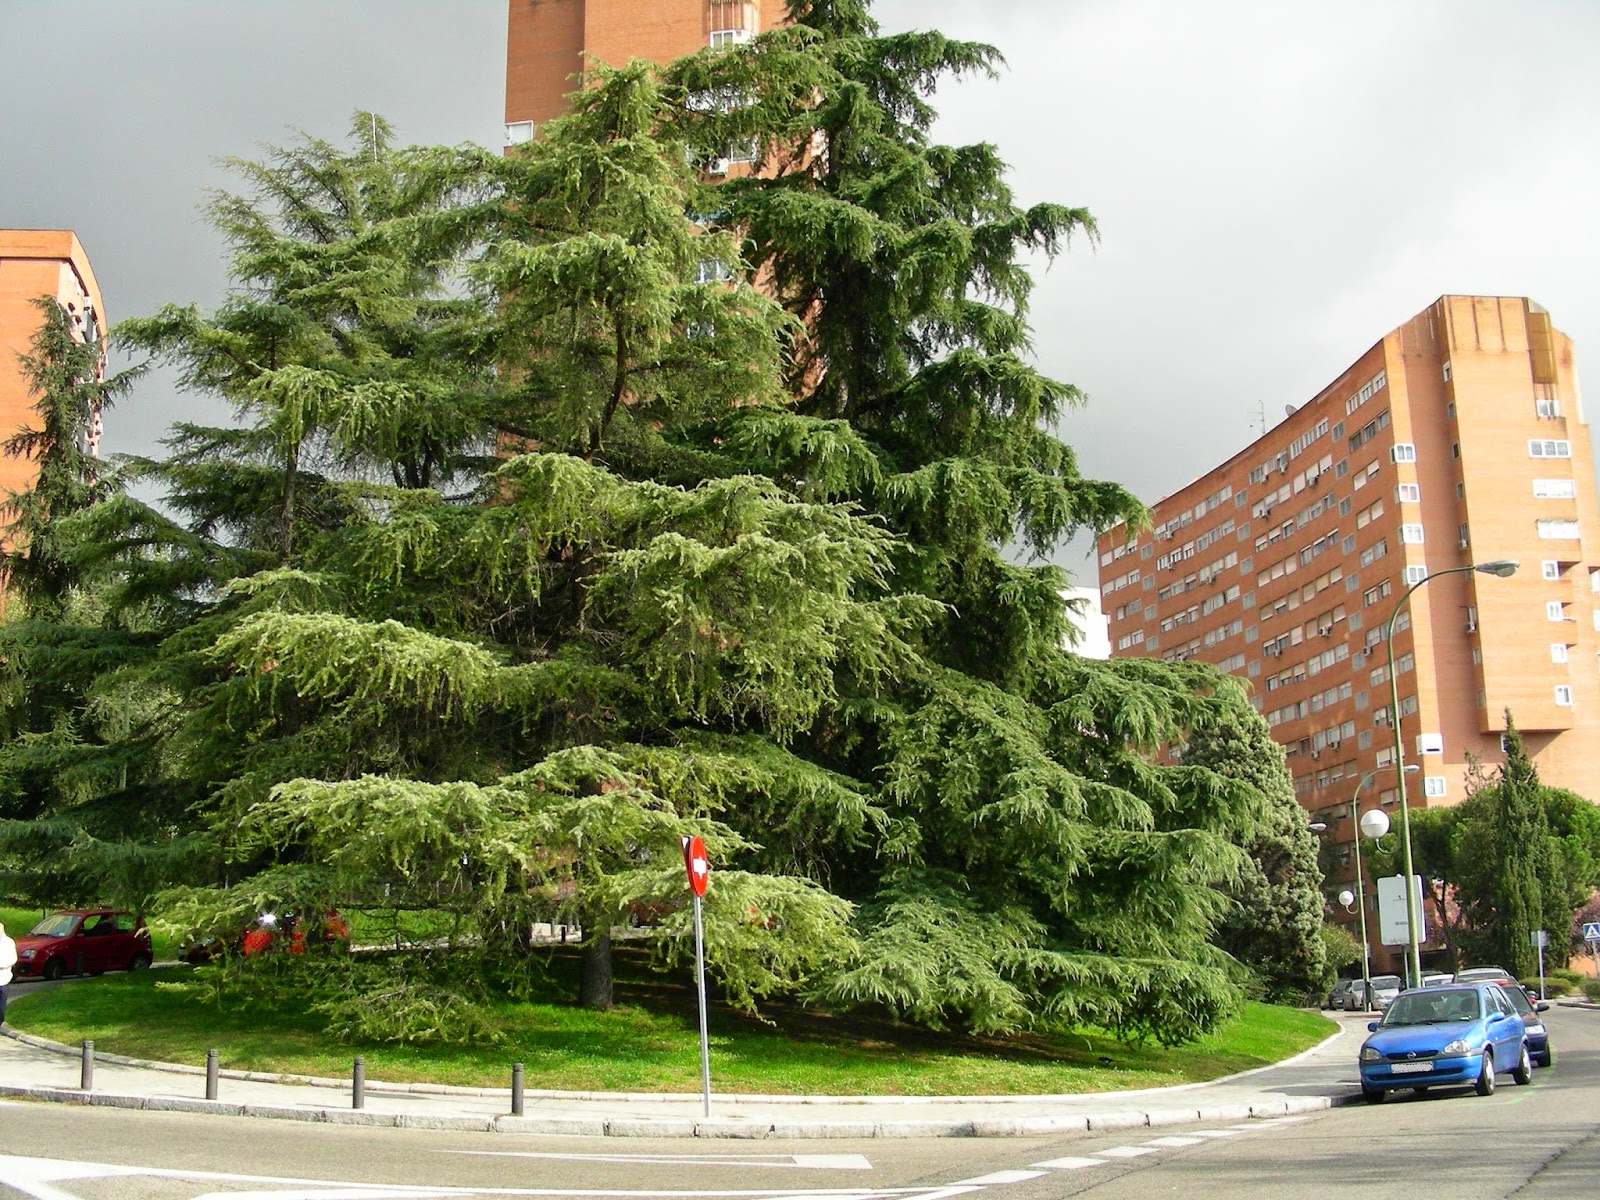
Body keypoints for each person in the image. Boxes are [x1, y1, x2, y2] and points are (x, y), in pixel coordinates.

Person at [0, 920, 17, 1025]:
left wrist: (1, 965)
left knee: (1, 1007)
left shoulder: (8, 943)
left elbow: (13, 959)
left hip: (3, 979)